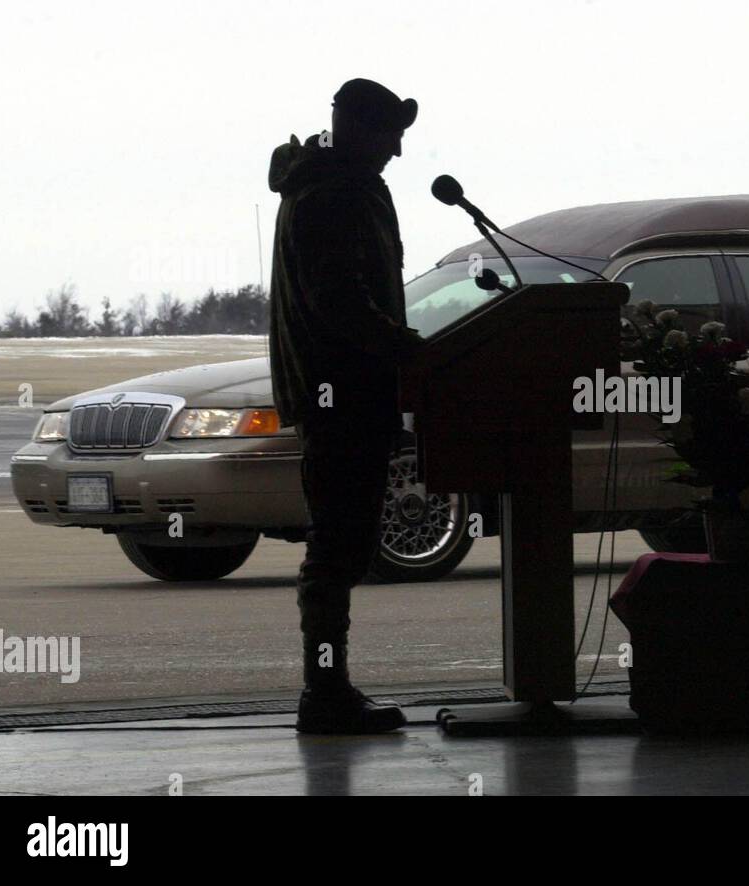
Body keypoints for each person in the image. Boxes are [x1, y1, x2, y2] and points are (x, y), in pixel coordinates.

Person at [267, 78, 424, 734]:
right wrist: (402, 346)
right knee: (336, 548)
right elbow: (339, 301)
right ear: (356, 129)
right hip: (340, 394)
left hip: (351, 392)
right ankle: (324, 693)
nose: (397, 151)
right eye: (390, 135)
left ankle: (328, 689)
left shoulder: (341, 186)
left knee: (344, 544)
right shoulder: (329, 195)